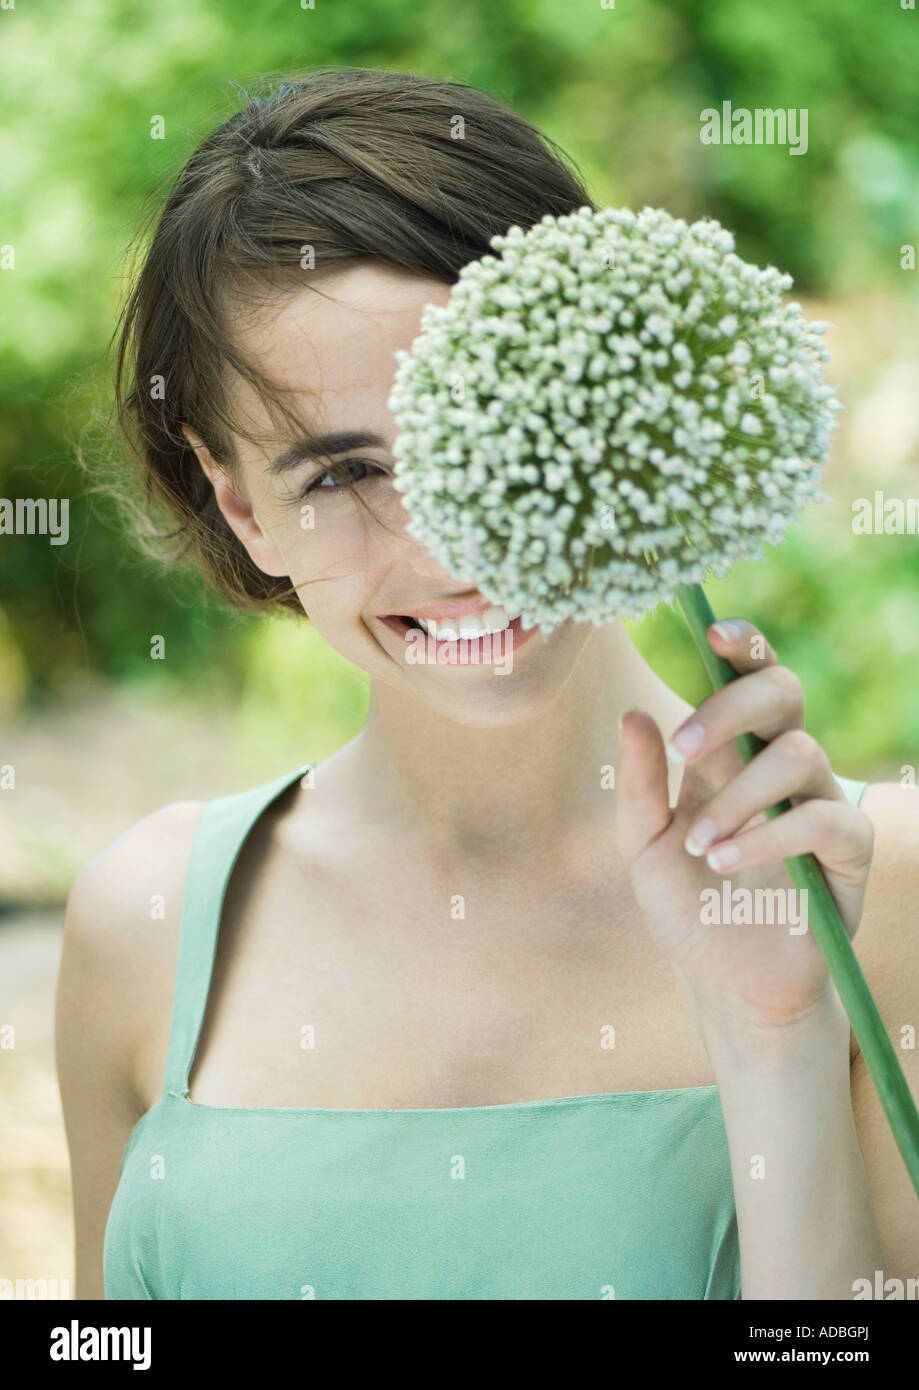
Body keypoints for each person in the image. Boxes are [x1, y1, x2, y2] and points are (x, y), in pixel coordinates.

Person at [55, 67, 918, 1301]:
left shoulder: (870, 891)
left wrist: (776, 1038)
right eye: (344, 475)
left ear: (623, 404)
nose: (457, 548)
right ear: (239, 504)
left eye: (489, 434)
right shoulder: (142, 927)